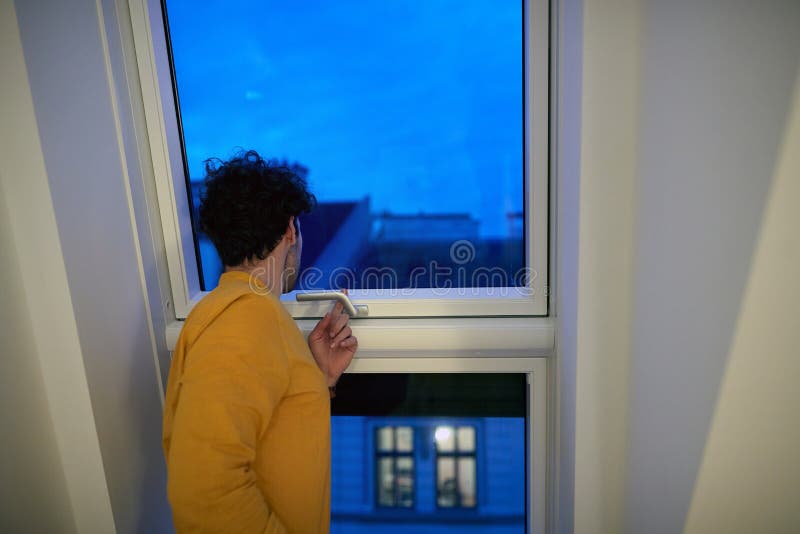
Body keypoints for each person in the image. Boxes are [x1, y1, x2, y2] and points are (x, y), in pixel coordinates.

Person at [162, 150, 358, 533]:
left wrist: (318, 378)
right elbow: (204, 490)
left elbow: (269, 437)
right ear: (290, 230)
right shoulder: (245, 317)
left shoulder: (237, 311)